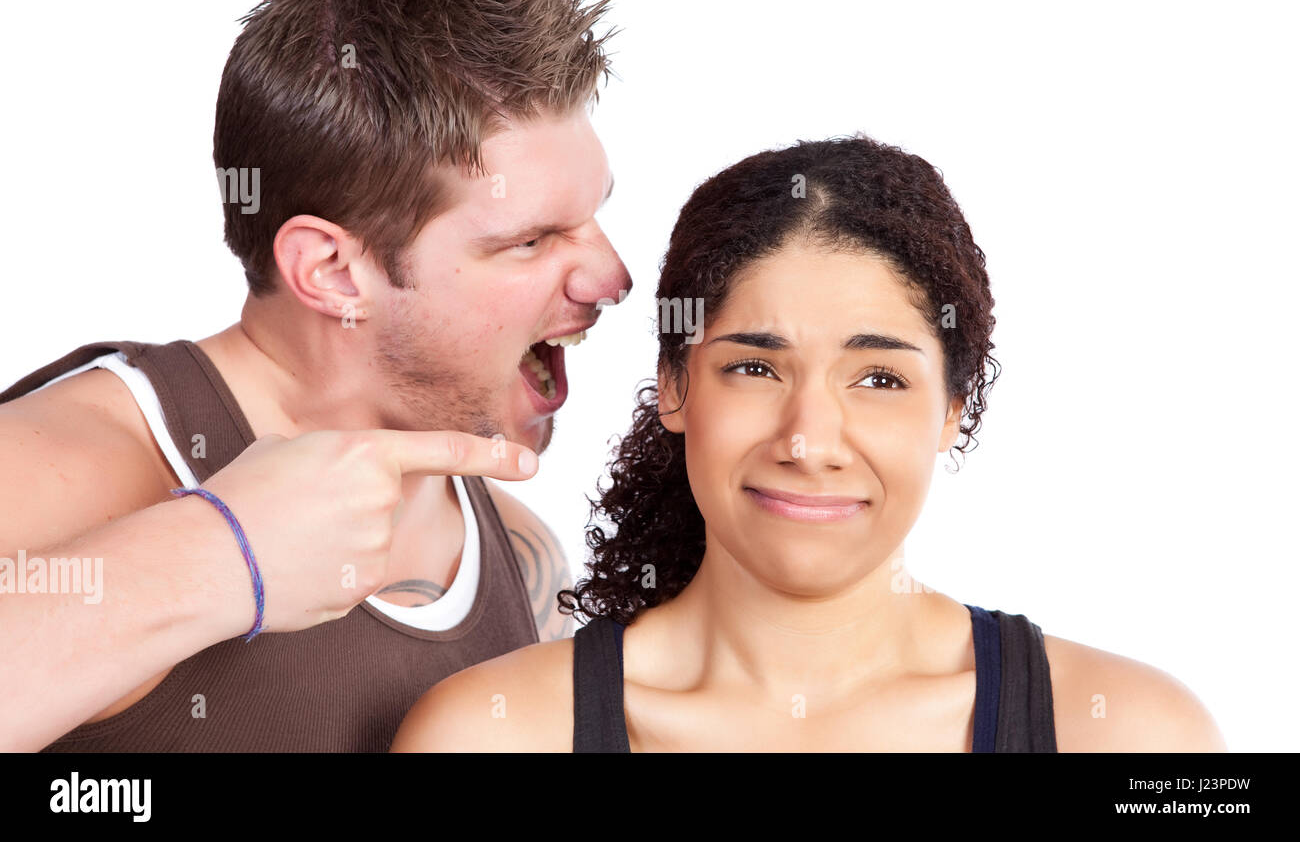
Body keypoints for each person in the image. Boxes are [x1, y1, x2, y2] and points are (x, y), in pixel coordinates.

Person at [392, 133, 1227, 752]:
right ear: (675, 386)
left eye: (879, 379)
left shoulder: (1140, 735)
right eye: (756, 368)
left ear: (953, 412)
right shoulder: (485, 736)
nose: (809, 440)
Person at [0, 0, 632, 752]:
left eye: (595, 216)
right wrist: (220, 555)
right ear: (332, 271)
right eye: (531, 241)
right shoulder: (63, 465)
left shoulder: (520, 552)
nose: (611, 277)